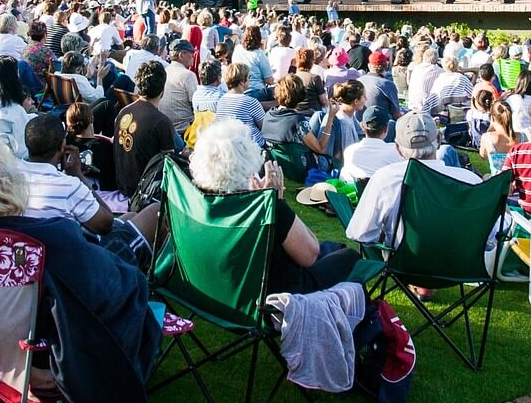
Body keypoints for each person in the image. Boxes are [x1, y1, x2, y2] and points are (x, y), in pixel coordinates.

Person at [0, 133, 160, 403]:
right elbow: (114, 289)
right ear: (7, 183)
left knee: (115, 244)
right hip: (27, 352)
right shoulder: (42, 241)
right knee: (134, 256)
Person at [191, 120, 361, 294]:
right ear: (248, 159)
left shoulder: (198, 202)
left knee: (332, 249)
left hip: (219, 283)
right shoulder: (263, 207)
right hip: (274, 293)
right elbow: (310, 254)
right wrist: (278, 201)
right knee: (349, 256)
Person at [21, 113, 153, 268]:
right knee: (154, 212)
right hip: (73, 266)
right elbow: (106, 224)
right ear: (61, 146)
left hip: (31, 258)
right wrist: (79, 176)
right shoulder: (69, 186)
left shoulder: (9, 177)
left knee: (131, 216)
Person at [345, 112, 482, 248]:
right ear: (439, 139)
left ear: (397, 148)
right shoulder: (470, 181)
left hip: (404, 265)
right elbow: (493, 233)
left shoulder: (386, 179)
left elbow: (360, 233)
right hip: (461, 266)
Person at [113, 61, 176, 191]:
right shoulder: (161, 121)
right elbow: (169, 166)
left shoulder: (123, 112)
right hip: (145, 191)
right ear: (163, 89)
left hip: (122, 184)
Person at [480, 99, 518, 173]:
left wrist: (490, 129)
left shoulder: (487, 138)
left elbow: (483, 156)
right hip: (516, 181)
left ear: (493, 117)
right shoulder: (523, 137)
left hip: (497, 181)